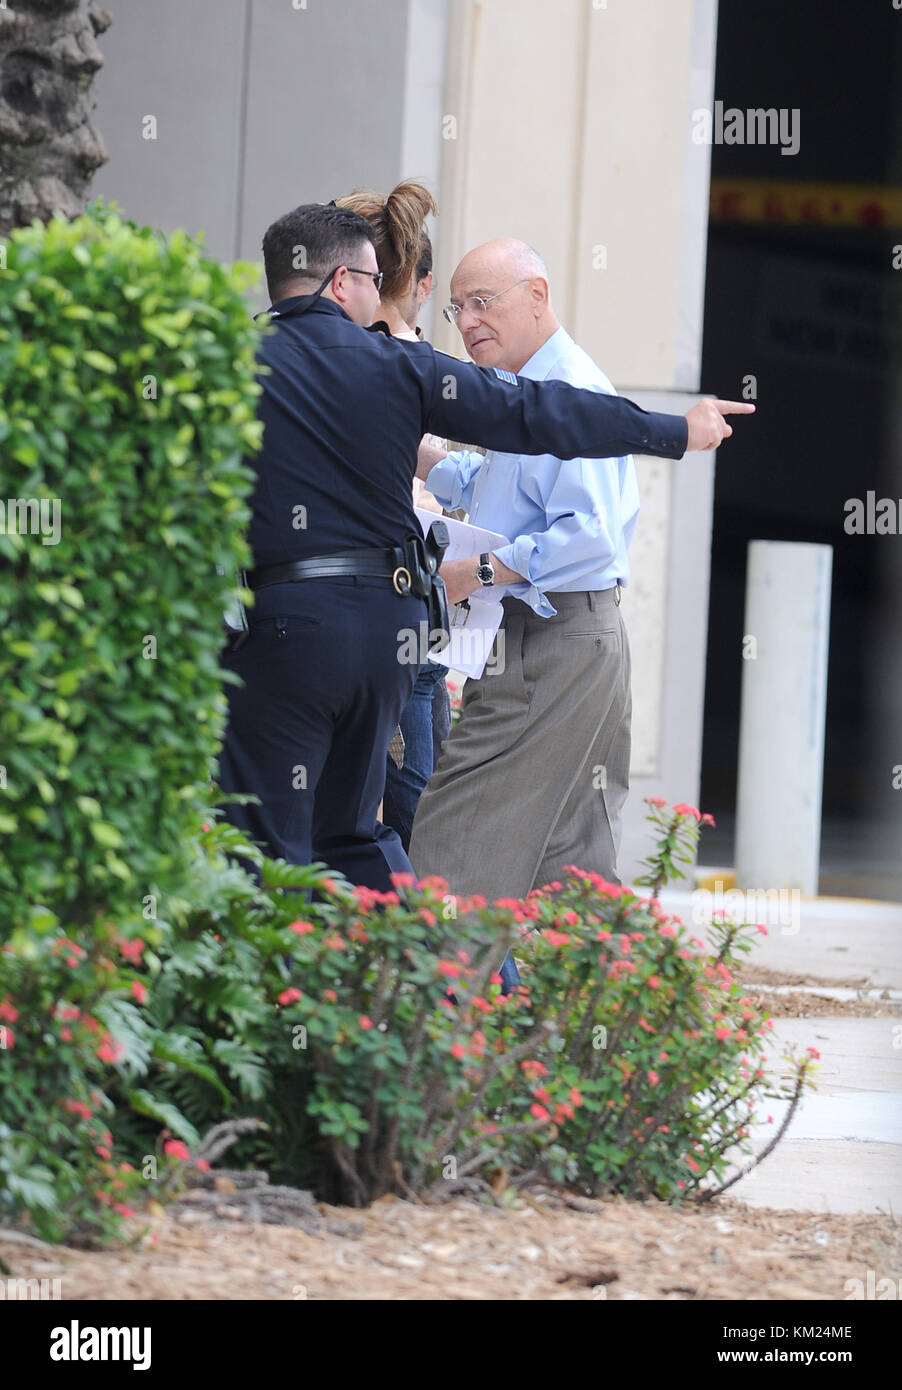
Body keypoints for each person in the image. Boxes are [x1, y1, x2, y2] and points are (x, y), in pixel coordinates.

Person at [217, 200, 752, 893]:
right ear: (344, 282)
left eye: (480, 302)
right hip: (403, 635)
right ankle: (440, 990)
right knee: (385, 835)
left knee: (314, 837)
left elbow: (576, 509)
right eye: (378, 282)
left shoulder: (229, 364)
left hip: (319, 630)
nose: (463, 320)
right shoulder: (399, 368)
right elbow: (519, 436)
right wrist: (670, 432)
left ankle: (350, 993)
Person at [409, 240, 653, 955]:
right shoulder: (528, 392)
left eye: (485, 302)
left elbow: (588, 538)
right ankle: (583, 1047)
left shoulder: (567, 394)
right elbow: (512, 495)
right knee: (569, 867)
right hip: (573, 641)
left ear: (538, 296)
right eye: (458, 308)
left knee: (456, 836)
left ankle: (427, 1043)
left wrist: (475, 572)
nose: (469, 322)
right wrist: (434, 463)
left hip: (552, 644)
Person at [335, 181, 451, 851]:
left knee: (406, 826)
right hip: (420, 629)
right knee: (417, 826)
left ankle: (478, 962)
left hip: (377, 625)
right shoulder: (434, 373)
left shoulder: (348, 364)